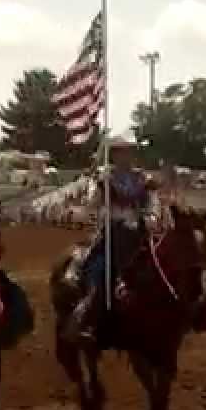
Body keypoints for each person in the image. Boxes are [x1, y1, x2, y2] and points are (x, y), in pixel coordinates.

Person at [61, 135, 161, 343]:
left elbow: (153, 204)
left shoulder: (143, 179)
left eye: (130, 150)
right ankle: (86, 317)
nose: (127, 155)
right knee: (99, 271)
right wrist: (99, 190)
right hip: (112, 233)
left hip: (140, 233)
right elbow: (91, 204)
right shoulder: (105, 177)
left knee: (164, 267)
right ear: (114, 154)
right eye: (122, 151)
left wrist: (151, 216)